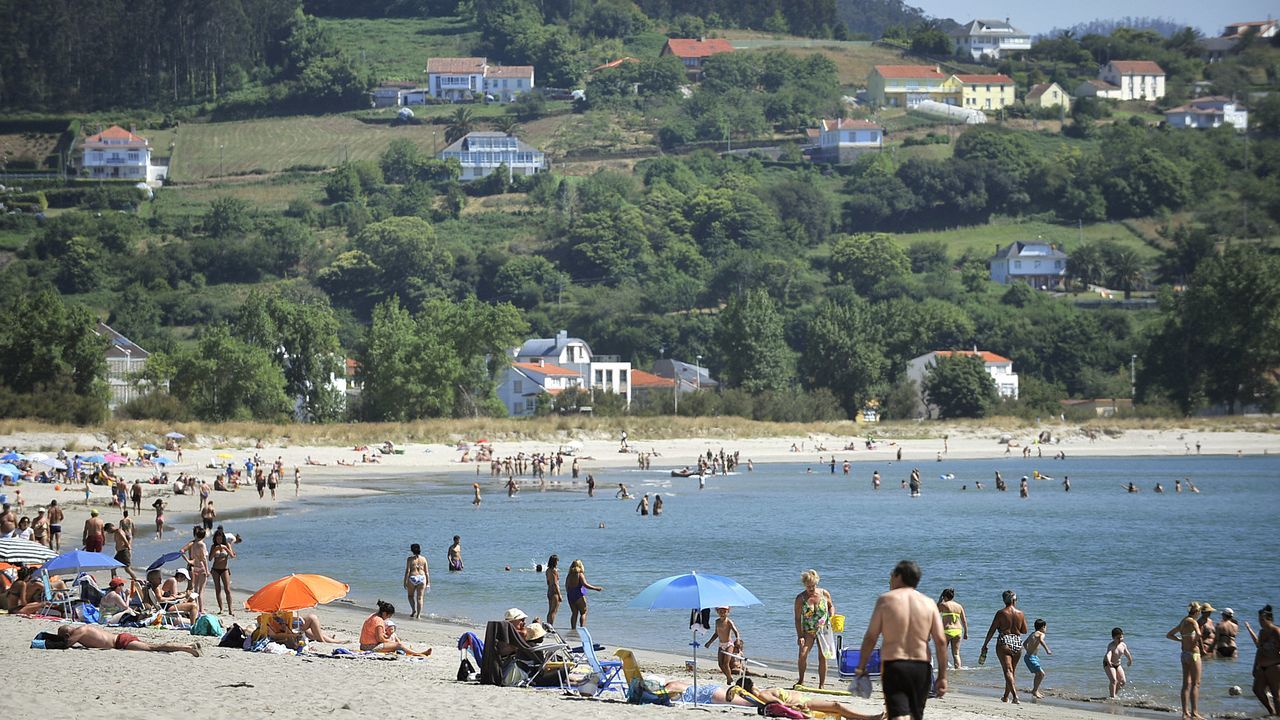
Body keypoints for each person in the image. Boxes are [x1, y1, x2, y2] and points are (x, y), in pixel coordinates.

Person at [855, 560, 947, 720]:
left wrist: (861, 667)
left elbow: (871, 637)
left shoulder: (886, 600)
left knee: (897, 715)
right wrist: (942, 676)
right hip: (922, 667)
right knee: (915, 715)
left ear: (899, 576)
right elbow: (940, 642)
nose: (890, 578)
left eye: (892, 574)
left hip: (895, 665)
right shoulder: (929, 603)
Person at [981, 590, 1028, 704]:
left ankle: (1015, 696)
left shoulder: (1001, 613)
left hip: (1004, 641)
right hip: (1017, 641)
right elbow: (1024, 631)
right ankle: (1006, 696)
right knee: (1012, 671)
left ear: (1004, 600)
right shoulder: (1020, 613)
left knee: (1008, 670)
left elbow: (992, 630)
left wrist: (985, 644)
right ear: (1014, 600)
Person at [794, 569, 835, 689]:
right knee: (803, 654)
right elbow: (797, 619)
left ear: (816, 583)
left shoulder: (824, 593)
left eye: (813, 585)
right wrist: (800, 636)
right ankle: (801, 680)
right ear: (804, 585)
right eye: (808, 586)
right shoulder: (800, 599)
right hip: (808, 630)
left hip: (824, 630)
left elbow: (831, 606)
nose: (811, 588)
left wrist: (832, 617)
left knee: (823, 656)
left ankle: (821, 685)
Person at [54, 624, 201, 656]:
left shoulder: (80, 631)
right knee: (152, 646)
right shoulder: (82, 629)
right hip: (121, 638)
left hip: (121, 642)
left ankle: (186, 649)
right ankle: (187, 644)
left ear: (67, 634)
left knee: (154, 648)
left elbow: (66, 644)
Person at [1167, 602, 1203, 720]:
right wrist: (1194, 642)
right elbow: (1199, 634)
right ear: (1197, 612)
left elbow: (1169, 635)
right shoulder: (1193, 621)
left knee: (1186, 684)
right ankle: (1194, 713)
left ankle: (1185, 713)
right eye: (1199, 612)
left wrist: (1181, 640)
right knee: (1196, 684)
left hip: (1184, 654)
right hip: (1194, 654)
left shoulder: (1183, 621)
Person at [360, 600, 431, 656]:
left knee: (393, 638)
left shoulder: (373, 616)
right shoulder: (379, 621)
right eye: (389, 616)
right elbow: (380, 639)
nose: (388, 618)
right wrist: (391, 642)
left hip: (363, 645)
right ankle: (417, 653)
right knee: (398, 645)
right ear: (385, 613)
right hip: (370, 647)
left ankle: (409, 650)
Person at [1245, 605, 1280, 715]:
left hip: (1274, 666)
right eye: (1259, 620)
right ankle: (1271, 712)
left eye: (1262, 620)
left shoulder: (1276, 631)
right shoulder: (1262, 632)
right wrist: (1255, 666)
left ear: (1270, 619)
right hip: (1262, 666)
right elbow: (1259, 650)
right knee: (1257, 690)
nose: (1260, 622)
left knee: (1275, 694)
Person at [704, 606, 743, 684]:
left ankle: (729, 678)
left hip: (729, 644)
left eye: (724, 612)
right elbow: (716, 634)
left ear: (728, 612)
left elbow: (736, 632)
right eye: (720, 611)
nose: (722, 613)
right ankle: (729, 677)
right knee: (720, 664)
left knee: (725, 663)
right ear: (717, 611)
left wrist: (738, 639)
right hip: (721, 644)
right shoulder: (717, 621)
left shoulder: (729, 622)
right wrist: (709, 642)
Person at [565, 558, 603, 630]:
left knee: (574, 613)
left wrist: (570, 594)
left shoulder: (569, 575)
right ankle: (582, 628)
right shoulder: (580, 574)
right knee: (583, 612)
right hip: (578, 594)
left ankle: (573, 629)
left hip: (570, 595)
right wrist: (596, 588)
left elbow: (566, 586)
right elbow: (585, 585)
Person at [180, 526, 209, 615]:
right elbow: (203, 558)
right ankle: (201, 609)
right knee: (201, 590)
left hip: (194, 567)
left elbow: (182, 552)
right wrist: (207, 570)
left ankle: (196, 607)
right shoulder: (202, 544)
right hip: (201, 567)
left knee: (195, 589)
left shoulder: (192, 544)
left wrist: (188, 560)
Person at [937, 588, 968, 669]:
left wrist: (939, 600)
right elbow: (964, 621)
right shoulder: (959, 606)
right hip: (958, 631)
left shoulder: (943, 605)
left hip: (947, 631)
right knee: (956, 653)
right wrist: (966, 632)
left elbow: (935, 611)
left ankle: (944, 670)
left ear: (944, 597)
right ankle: (958, 670)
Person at [210, 527, 236, 616]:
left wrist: (225, 548)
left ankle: (230, 609)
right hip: (215, 569)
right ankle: (221, 608)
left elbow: (232, 556)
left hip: (224, 569)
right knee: (218, 589)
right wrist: (215, 550)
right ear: (215, 539)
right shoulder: (213, 546)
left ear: (223, 538)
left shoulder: (227, 545)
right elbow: (210, 558)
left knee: (227, 589)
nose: (219, 540)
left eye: (220, 539)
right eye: (217, 539)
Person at [1023, 619, 1052, 699]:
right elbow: (1041, 640)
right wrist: (1047, 650)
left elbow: (1024, 644)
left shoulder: (1032, 634)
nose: (1046, 629)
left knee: (1038, 674)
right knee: (1042, 674)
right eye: (1045, 627)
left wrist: (1029, 651)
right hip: (1031, 658)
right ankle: (1035, 691)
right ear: (1043, 627)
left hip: (1029, 657)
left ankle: (1035, 690)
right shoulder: (1041, 634)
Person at [1104, 627, 1134, 699]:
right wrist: (1109, 661)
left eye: (1121, 637)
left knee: (1123, 681)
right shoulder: (1111, 645)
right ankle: (1112, 697)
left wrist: (1130, 660)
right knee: (1113, 680)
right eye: (1118, 638)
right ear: (1113, 638)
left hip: (1117, 664)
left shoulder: (1123, 645)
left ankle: (1114, 694)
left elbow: (1127, 653)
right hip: (1108, 664)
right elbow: (1109, 654)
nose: (1120, 639)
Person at [403, 543, 429, 620]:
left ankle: (413, 610)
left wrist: (405, 581)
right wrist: (428, 582)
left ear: (412, 550)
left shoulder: (409, 559)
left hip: (413, 577)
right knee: (420, 598)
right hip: (422, 578)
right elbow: (427, 572)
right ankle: (418, 615)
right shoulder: (424, 559)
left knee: (410, 596)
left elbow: (408, 571)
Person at [545, 555, 562, 627]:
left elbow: (548, 582)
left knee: (550, 611)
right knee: (554, 611)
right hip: (554, 591)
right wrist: (559, 594)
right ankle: (551, 626)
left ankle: (548, 625)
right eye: (557, 561)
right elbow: (555, 583)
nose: (557, 563)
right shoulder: (554, 571)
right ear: (555, 562)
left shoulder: (547, 570)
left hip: (549, 590)